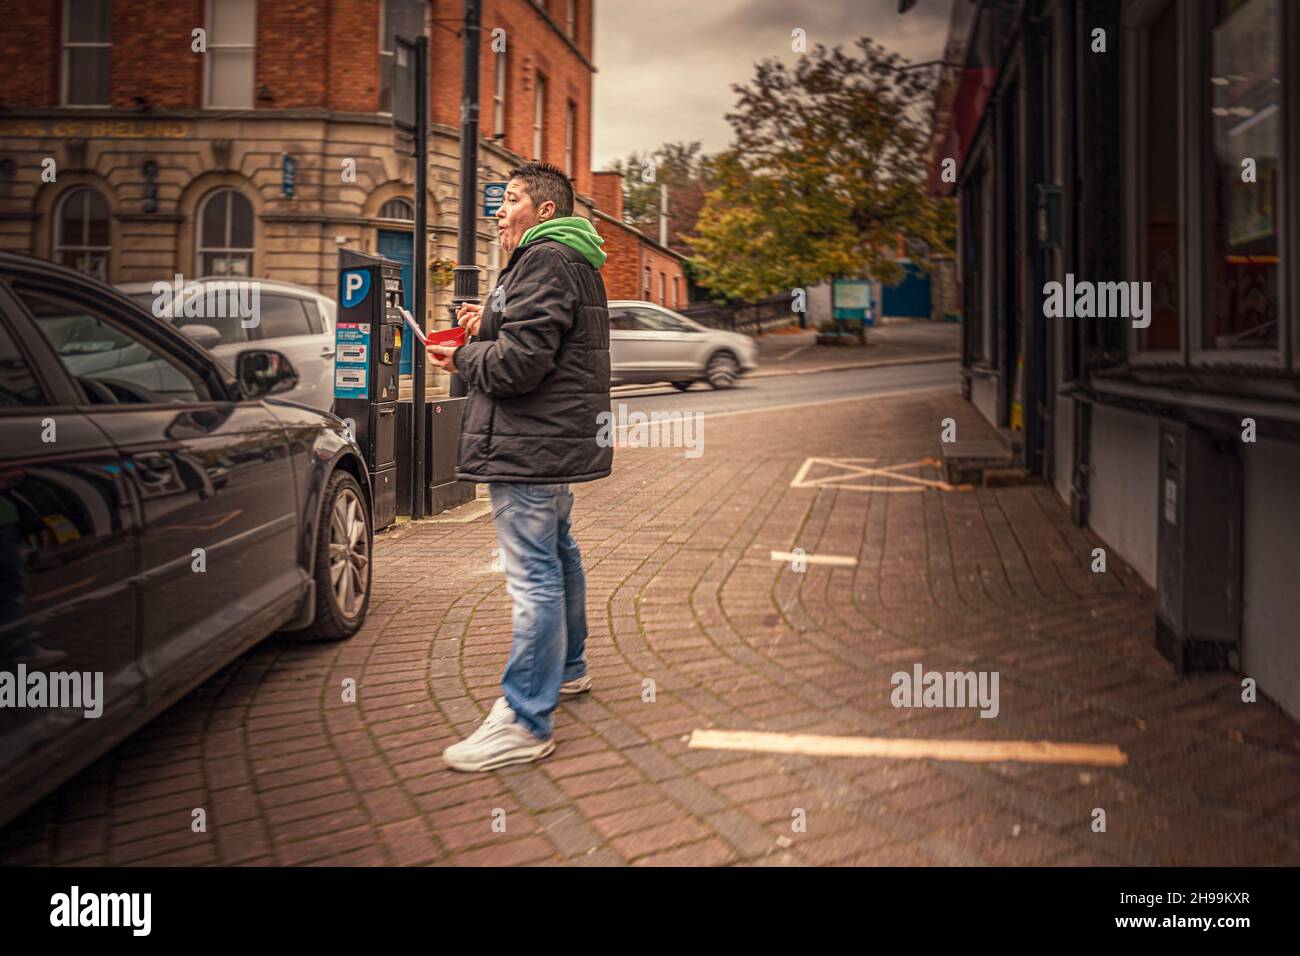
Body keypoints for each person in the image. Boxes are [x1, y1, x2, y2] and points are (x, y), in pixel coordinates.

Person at [426, 161, 611, 772]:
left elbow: (518, 365)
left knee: (533, 577)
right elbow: (541, 338)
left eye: (509, 200)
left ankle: (525, 721)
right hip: (548, 443)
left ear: (545, 212)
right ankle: (571, 669)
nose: (498, 211)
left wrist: (461, 356)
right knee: (559, 555)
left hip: (529, 444)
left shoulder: (543, 259)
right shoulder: (567, 258)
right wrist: (489, 322)